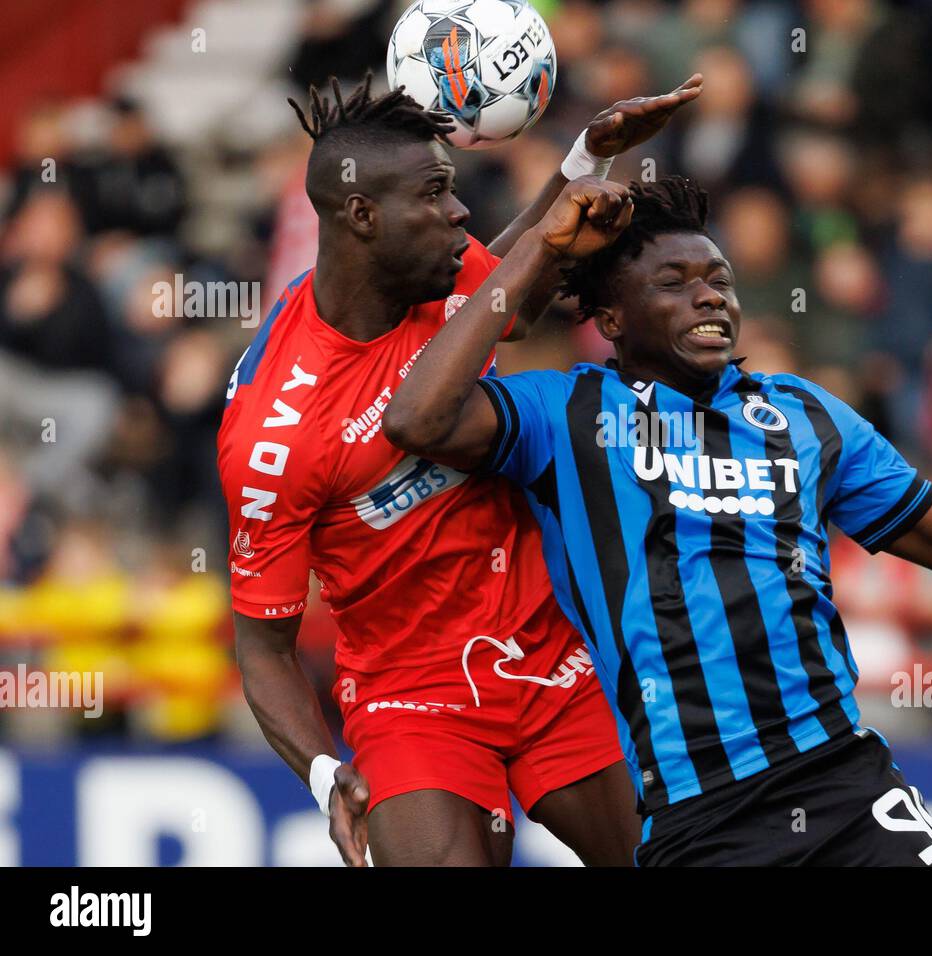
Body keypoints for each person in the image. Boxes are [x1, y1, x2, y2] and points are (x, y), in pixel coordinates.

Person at [380, 174, 932, 866]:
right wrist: (539, 250)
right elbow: (417, 419)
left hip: (843, 778)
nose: (711, 297)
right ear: (610, 316)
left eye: (720, 280)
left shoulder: (804, 417)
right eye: (676, 282)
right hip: (699, 816)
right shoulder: (562, 415)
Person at [218, 74, 702, 866]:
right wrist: (321, 770)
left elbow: (512, 285)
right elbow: (263, 648)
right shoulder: (274, 433)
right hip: (412, 696)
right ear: (362, 215)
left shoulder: (427, 284)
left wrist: (588, 158)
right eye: (437, 193)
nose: (460, 212)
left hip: (553, 650)